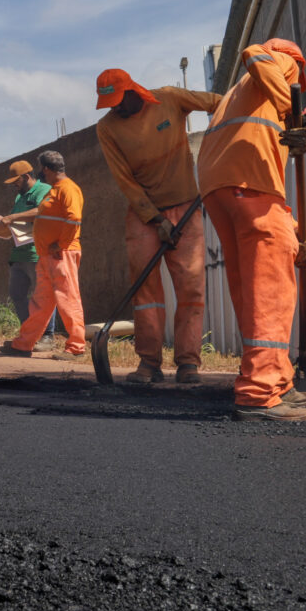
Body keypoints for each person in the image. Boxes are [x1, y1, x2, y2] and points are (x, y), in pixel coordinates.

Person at [197, 39, 306, 422]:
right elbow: (253, 51)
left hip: (221, 188)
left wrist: (294, 232)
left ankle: (277, 381)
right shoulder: (284, 63)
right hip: (248, 184)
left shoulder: (239, 96)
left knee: (250, 287)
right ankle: (261, 391)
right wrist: (290, 110)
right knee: (270, 288)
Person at [95, 68, 222, 384]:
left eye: (117, 100)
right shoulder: (107, 128)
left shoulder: (169, 98)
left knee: (191, 288)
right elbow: (125, 180)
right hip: (144, 215)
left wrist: (227, 131)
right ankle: (149, 364)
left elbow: (220, 102)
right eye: (108, 102)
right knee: (146, 292)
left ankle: (188, 363)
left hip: (186, 206)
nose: (114, 107)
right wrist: (156, 219)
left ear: (131, 90)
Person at [0, 150, 85, 358]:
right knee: (39, 303)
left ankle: (76, 348)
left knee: (68, 299)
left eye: (41, 169)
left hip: (61, 254)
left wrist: (60, 244)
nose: (41, 173)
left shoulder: (68, 188)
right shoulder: (54, 190)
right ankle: (23, 344)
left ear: (46, 169)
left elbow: (74, 219)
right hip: (48, 256)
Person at [2, 160, 57, 351]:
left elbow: (41, 210)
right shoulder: (20, 197)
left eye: (16, 182)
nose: (14, 186)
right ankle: (29, 334)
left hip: (37, 252)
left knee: (44, 295)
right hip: (19, 254)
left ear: (26, 177)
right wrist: (3, 225)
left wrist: (12, 218)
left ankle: (47, 337)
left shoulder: (44, 190)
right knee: (17, 294)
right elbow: (16, 219)